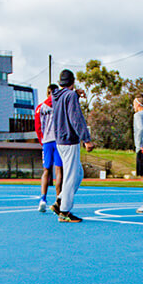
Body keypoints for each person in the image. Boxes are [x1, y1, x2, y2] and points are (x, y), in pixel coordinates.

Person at [51, 69, 92, 223]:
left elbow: (67, 98)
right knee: (70, 176)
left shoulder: (57, 95)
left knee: (78, 173)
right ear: (73, 81)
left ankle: (60, 201)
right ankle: (64, 211)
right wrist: (86, 139)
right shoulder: (70, 96)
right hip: (69, 139)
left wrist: (75, 93)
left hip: (60, 139)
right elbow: (76, 118)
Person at [35, 85, 63, 212]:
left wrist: (42, 140)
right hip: (57, 141)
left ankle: (43, 199)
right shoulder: (59, 106)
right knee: (59, 171)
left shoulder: (40, 108)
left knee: (46, 171)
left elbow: (37, 126)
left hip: (46, 141)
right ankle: (59, 200)